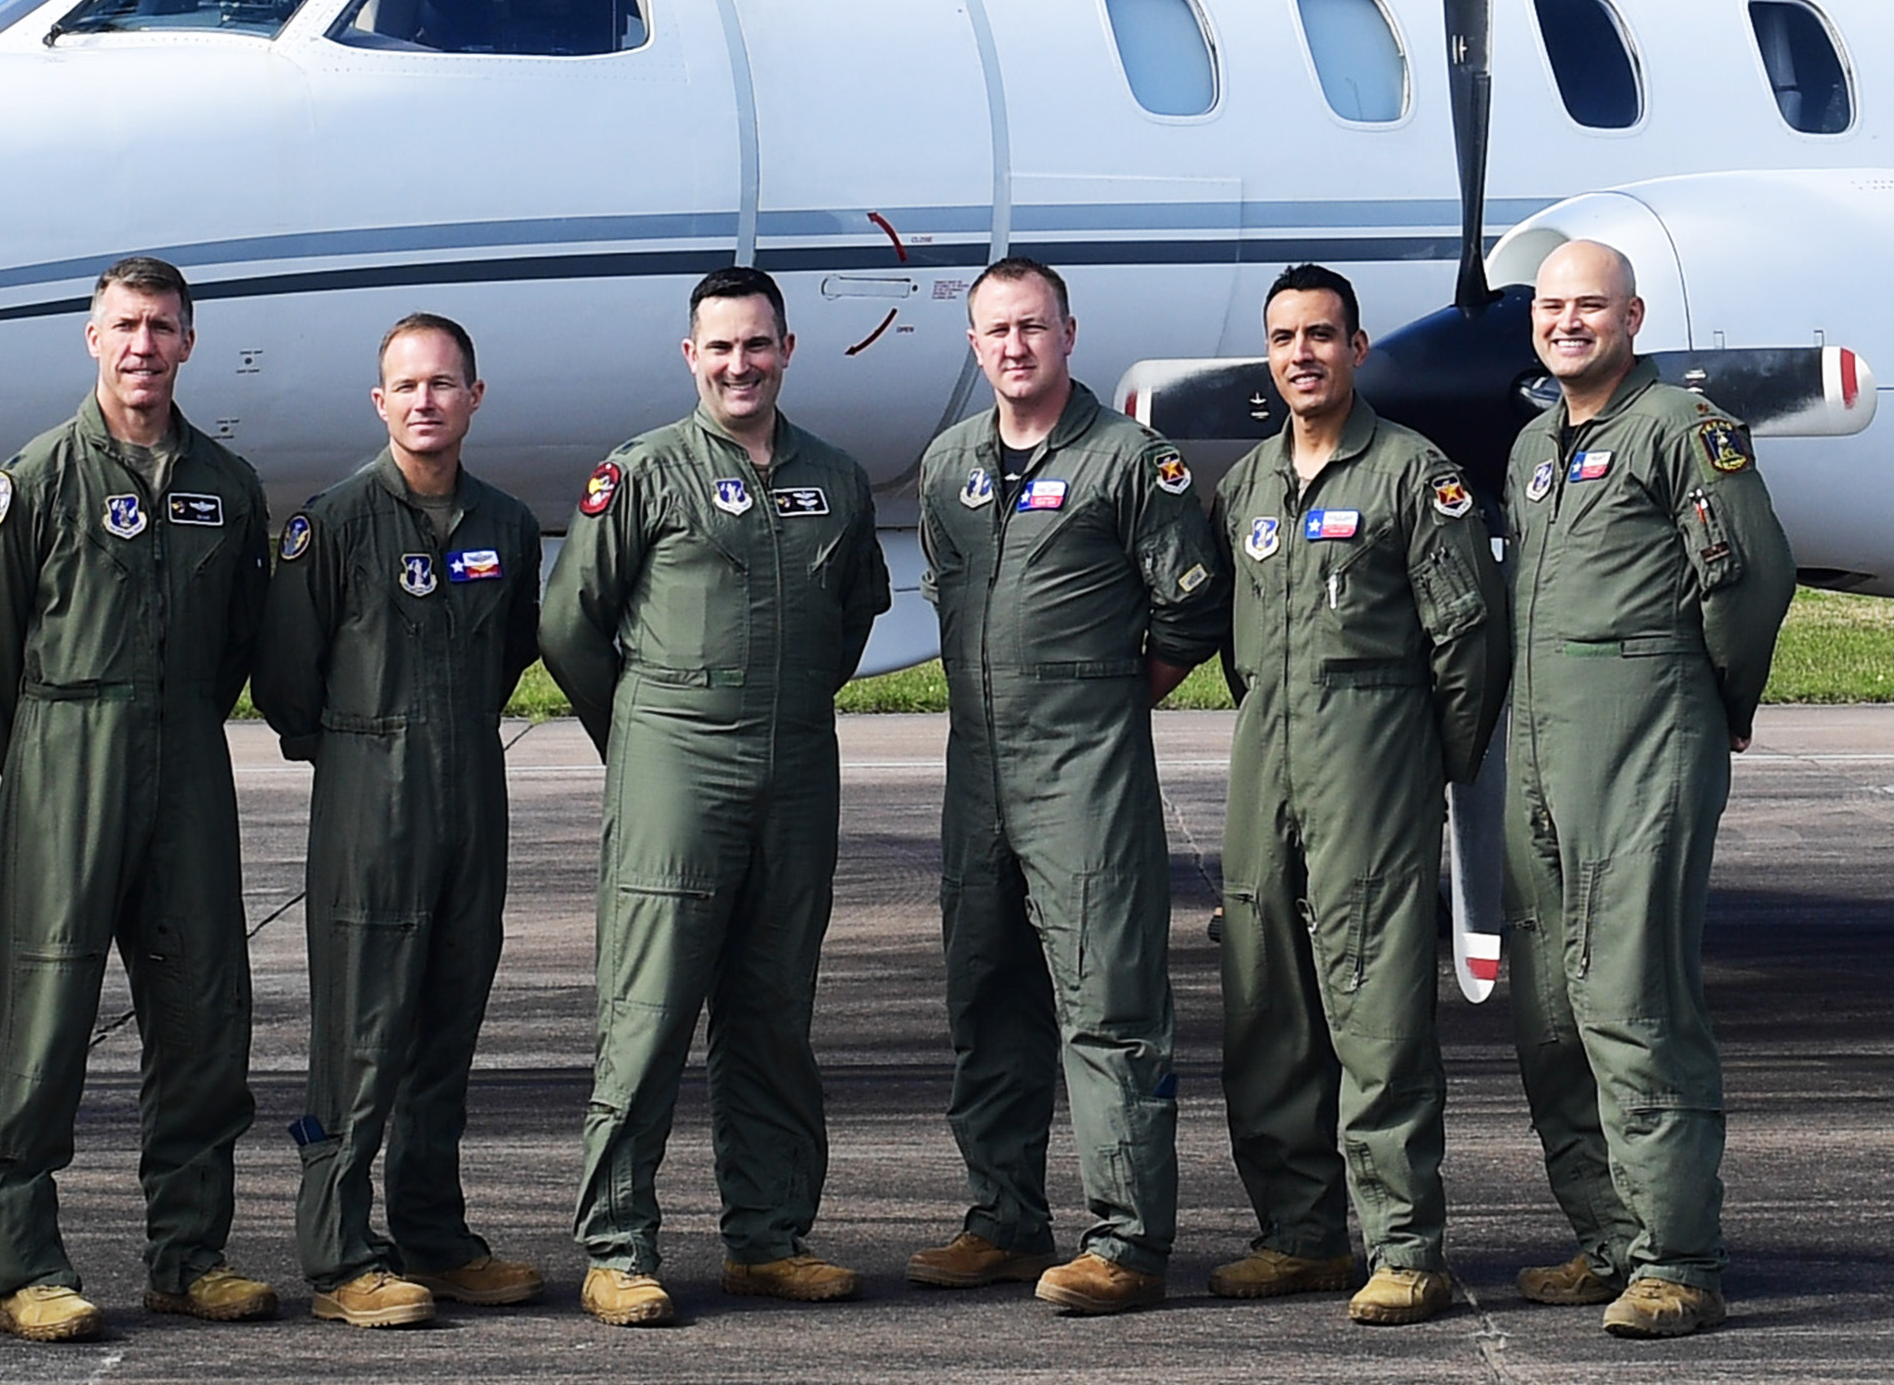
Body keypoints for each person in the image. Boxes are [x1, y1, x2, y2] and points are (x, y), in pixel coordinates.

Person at [539, 267, 891, 1326]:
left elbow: (854, 615)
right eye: (720, 348)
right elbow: (569, 627)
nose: (740, 365)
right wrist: (640, 737)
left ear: (787, 350)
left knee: (775, 1010)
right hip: (675, 760)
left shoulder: (834, 477)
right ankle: (617, 1244)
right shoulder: (640, 473)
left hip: (795, 764)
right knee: (647, 1012)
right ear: (690, 357)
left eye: (758, 346)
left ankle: (770, 1235)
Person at [0, 255, 274, 1341]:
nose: (143, 346)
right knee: (42, 1022)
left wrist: (167, 726)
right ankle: (24, 1265)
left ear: (189, 343)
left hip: (185, 765)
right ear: (94, 338)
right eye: (124, 325)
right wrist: (47, 759)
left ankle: (189, 1254)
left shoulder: (227, 486)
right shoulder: (33, 479)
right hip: (64, 765)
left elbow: (237, 640)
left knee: (201, 1015)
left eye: (163, 328)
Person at [904, 257, 1228, 1316]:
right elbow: (952, 590)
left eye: (1032, 327)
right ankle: (1002, 1219)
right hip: (977, 774)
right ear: (973, 343)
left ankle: (1128, 1238)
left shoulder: (1132, 462)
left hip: (1083, 772)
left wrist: (1098, 697)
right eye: (996, 330)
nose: (1014, 347)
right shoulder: (949, 462)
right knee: (986, 997)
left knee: (1108, 1006)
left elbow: (1187, 612)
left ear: (1068, 334)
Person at [1503, 238, 1794, 1339]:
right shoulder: (1537, 442)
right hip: (1539, 750)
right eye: (1551, 305)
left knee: (1632, 999)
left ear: (1631, 318)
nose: (1566, 321)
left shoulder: (1683, 430)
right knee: (1549, 1010)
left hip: (1642, 739)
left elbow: (1751, 576)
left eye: (1590, 306)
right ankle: (1608, 1239)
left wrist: (1708, 705)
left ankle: (1678, 1257)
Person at [1207, 263, 1509, 1325]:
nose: (1303, 354)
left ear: (1357, 347)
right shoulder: (1246, 487)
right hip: (1268, 761)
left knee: (1373, 1007)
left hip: (1372, 758)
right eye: (1285, 338)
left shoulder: (1412, 477)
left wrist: (1427, 765)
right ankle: (1299, 1233)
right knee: (1266, 998)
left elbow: (1469, 644)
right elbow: (1247, 653)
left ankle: (1405, 1244)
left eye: (1322, 335)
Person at [254, 313, 545, 1328]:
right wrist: (363, 751)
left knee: (446, 1026)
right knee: (362, 1033)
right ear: (380, 403)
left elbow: (510, 653)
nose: (426, 401)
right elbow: (287, 680)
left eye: (444, 384)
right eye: (407, 386)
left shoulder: (506, 527)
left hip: (470, 794)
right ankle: (340, 1254)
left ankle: (435, 1235)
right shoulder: (330, 523)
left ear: (474, 398)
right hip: (368, 802)